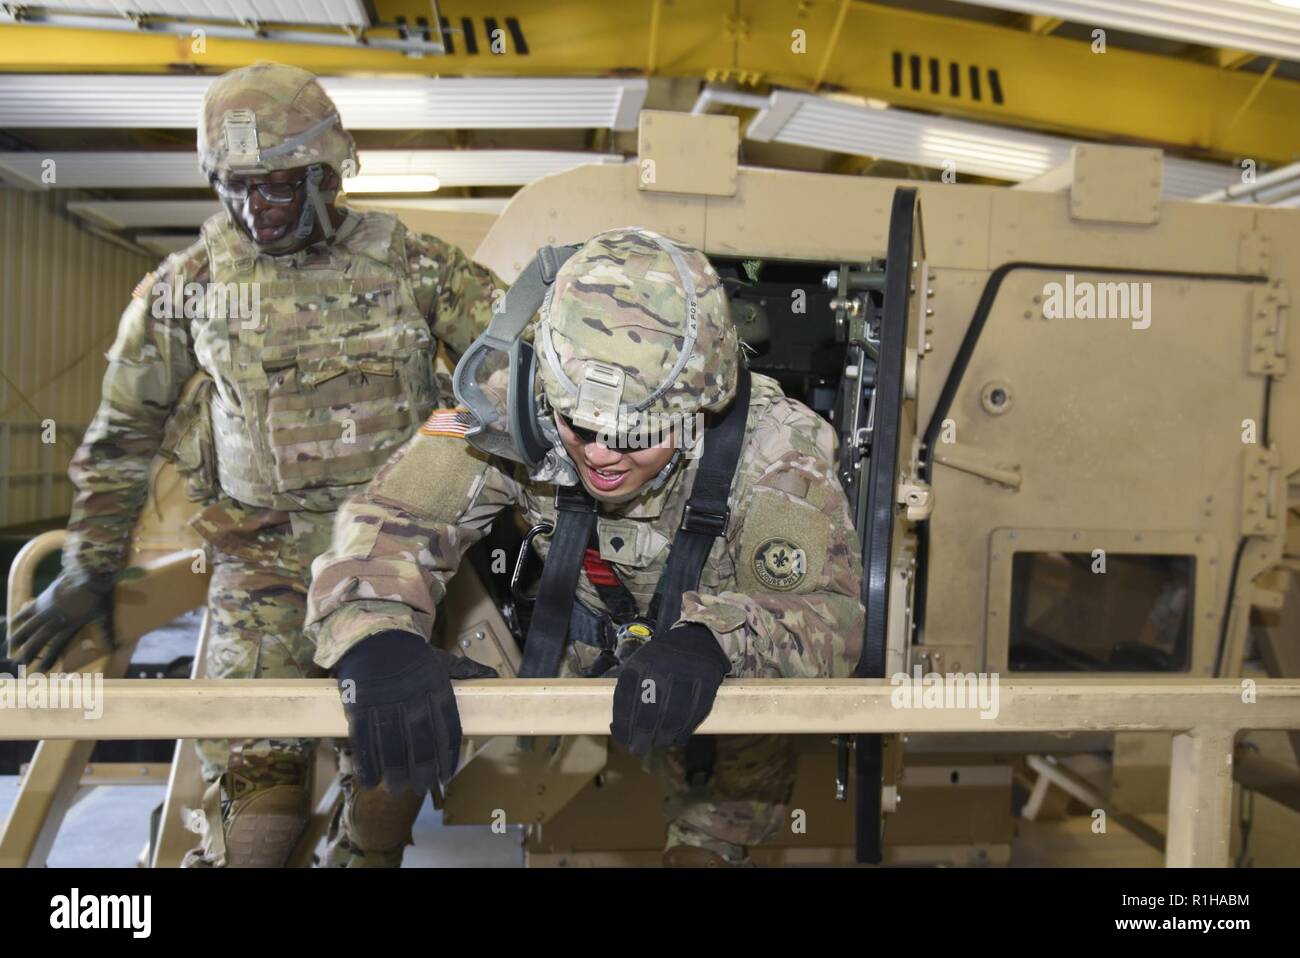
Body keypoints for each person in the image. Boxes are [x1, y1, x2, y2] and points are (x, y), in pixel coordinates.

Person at [6, 61, 501, 868]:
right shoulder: (192, 285)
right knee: (257, 817)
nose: (252, 209)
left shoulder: (412, 265)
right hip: (261, 562)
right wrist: (91, 566)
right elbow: (125, 427)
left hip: (392, 565)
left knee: (389, 778)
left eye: (274, 187)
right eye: (233, 187)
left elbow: (510, 365)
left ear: (324, 176)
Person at [305, 226, 865, 866]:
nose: (600, 456)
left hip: (705, 663)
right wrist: (378, 634)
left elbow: (832, 616)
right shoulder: (493, 408)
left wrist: (720, 641)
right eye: (579, 425)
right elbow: (390, 515)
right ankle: (363, 846)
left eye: (637, 435)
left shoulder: (780, 447)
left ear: (697, 411)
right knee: (387, 713)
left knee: (734, 796)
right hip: (568, 642)